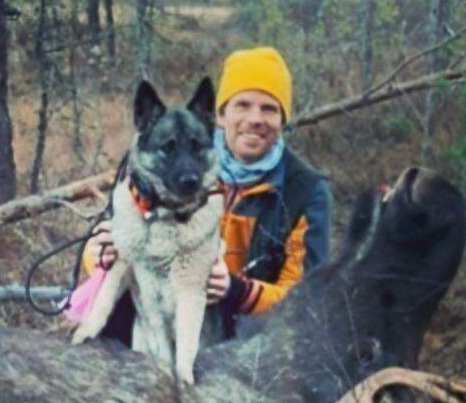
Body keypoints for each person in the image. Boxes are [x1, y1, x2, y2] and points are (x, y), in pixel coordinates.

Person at [81, 45, 331, 342]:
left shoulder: (307, 191)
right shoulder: (161, 165)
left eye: (269, 109)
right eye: (243, 105)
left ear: (282, 120)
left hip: (246, 336)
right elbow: (118, 242)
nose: (255, 119)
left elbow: (304, 298)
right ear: (220, 115)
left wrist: (237, 291)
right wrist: (97, 254)